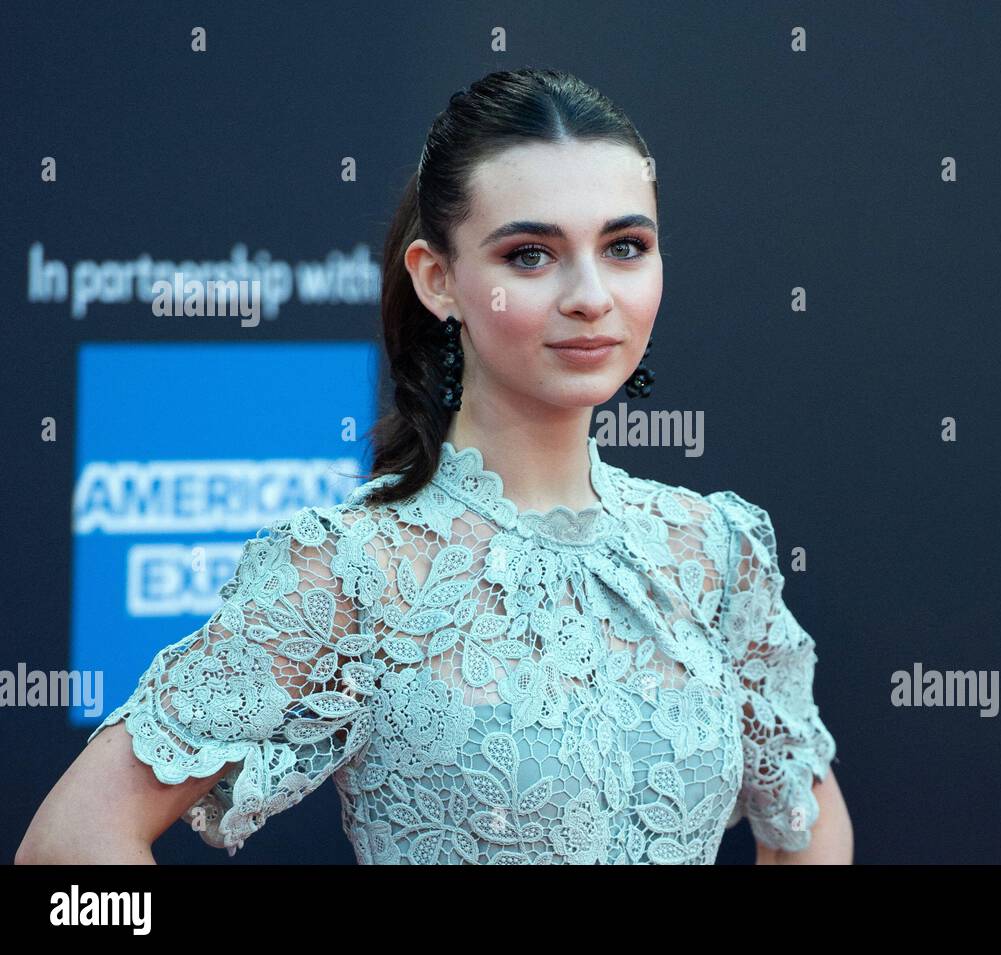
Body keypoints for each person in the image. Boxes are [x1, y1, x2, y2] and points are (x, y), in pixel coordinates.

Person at [17, 68, 850, 865]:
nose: (591, 294)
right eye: (531, 254)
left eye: (626, 246)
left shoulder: (714, 552)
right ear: (438, 278)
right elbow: (69, 844)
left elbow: (807, 824)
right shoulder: (352, 569)